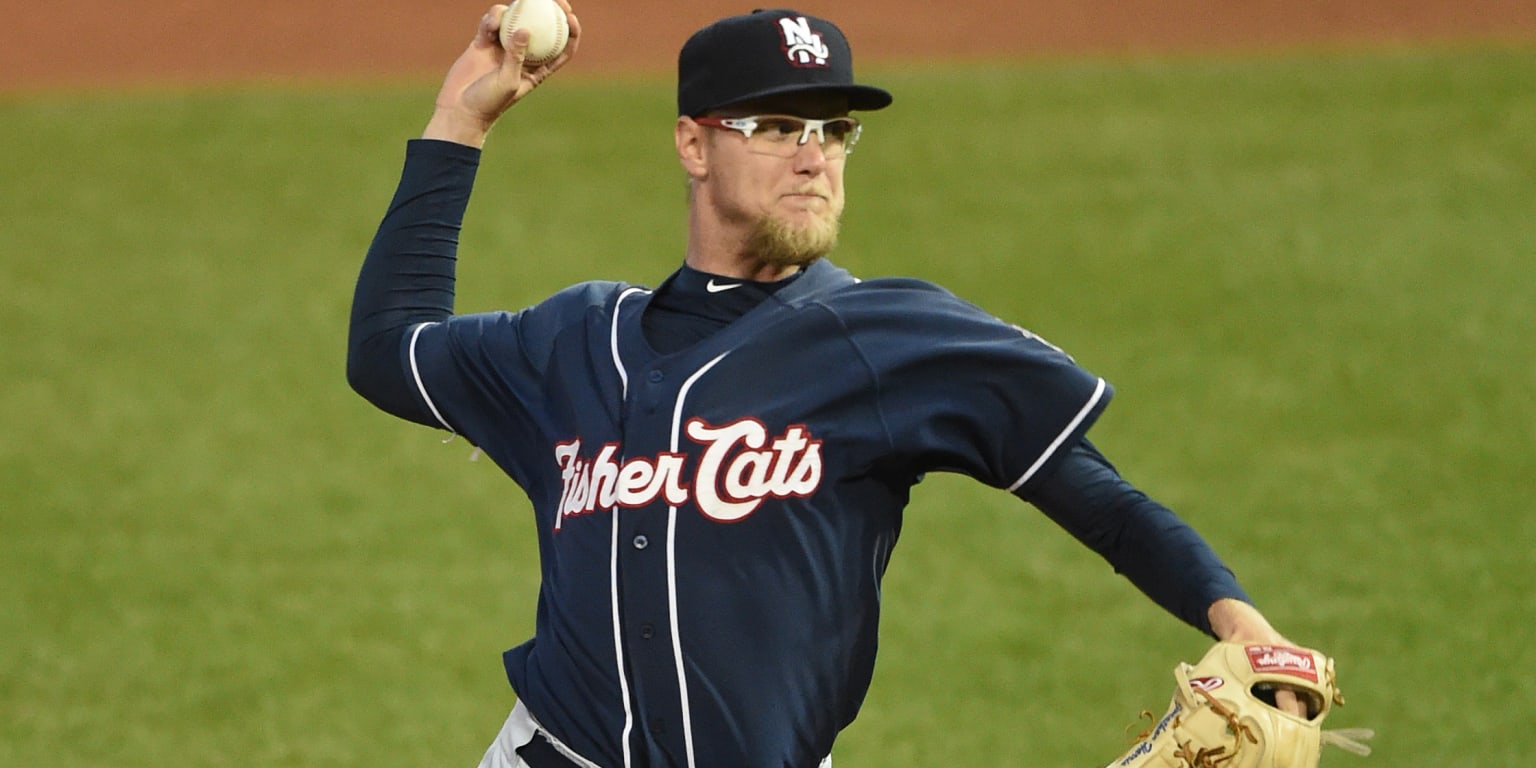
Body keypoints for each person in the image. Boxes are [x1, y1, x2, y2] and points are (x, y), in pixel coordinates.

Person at [347, 5, 1307, 767]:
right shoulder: (573, 341)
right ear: (693, 145)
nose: (813, 156)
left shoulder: (888, 338)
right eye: (774, 126)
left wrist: (1241, 622)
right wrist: (457, 122)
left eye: (832, 131)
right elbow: (390, 348)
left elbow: (1095, 493)